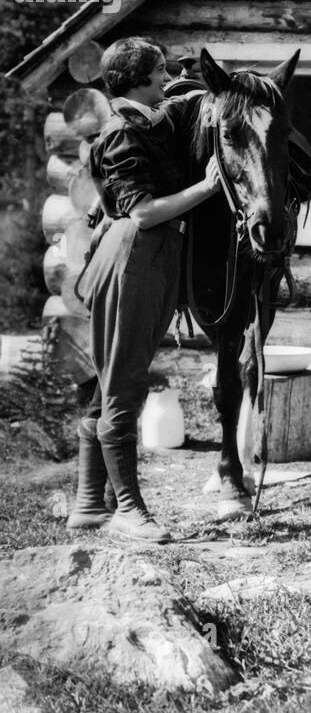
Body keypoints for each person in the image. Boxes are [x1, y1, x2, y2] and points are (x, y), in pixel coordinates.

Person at [68, 38, 222, 542]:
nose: (166, 79)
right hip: (134, 255)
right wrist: (207, 188)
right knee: (125, 382)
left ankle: (90, 504)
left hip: (150, 256)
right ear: (135, 80)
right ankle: (128, 513)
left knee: (112, 375)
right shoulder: (120, 133)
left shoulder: (149, 119)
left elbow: (180, 101)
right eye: (159, 72)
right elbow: (144, 210)